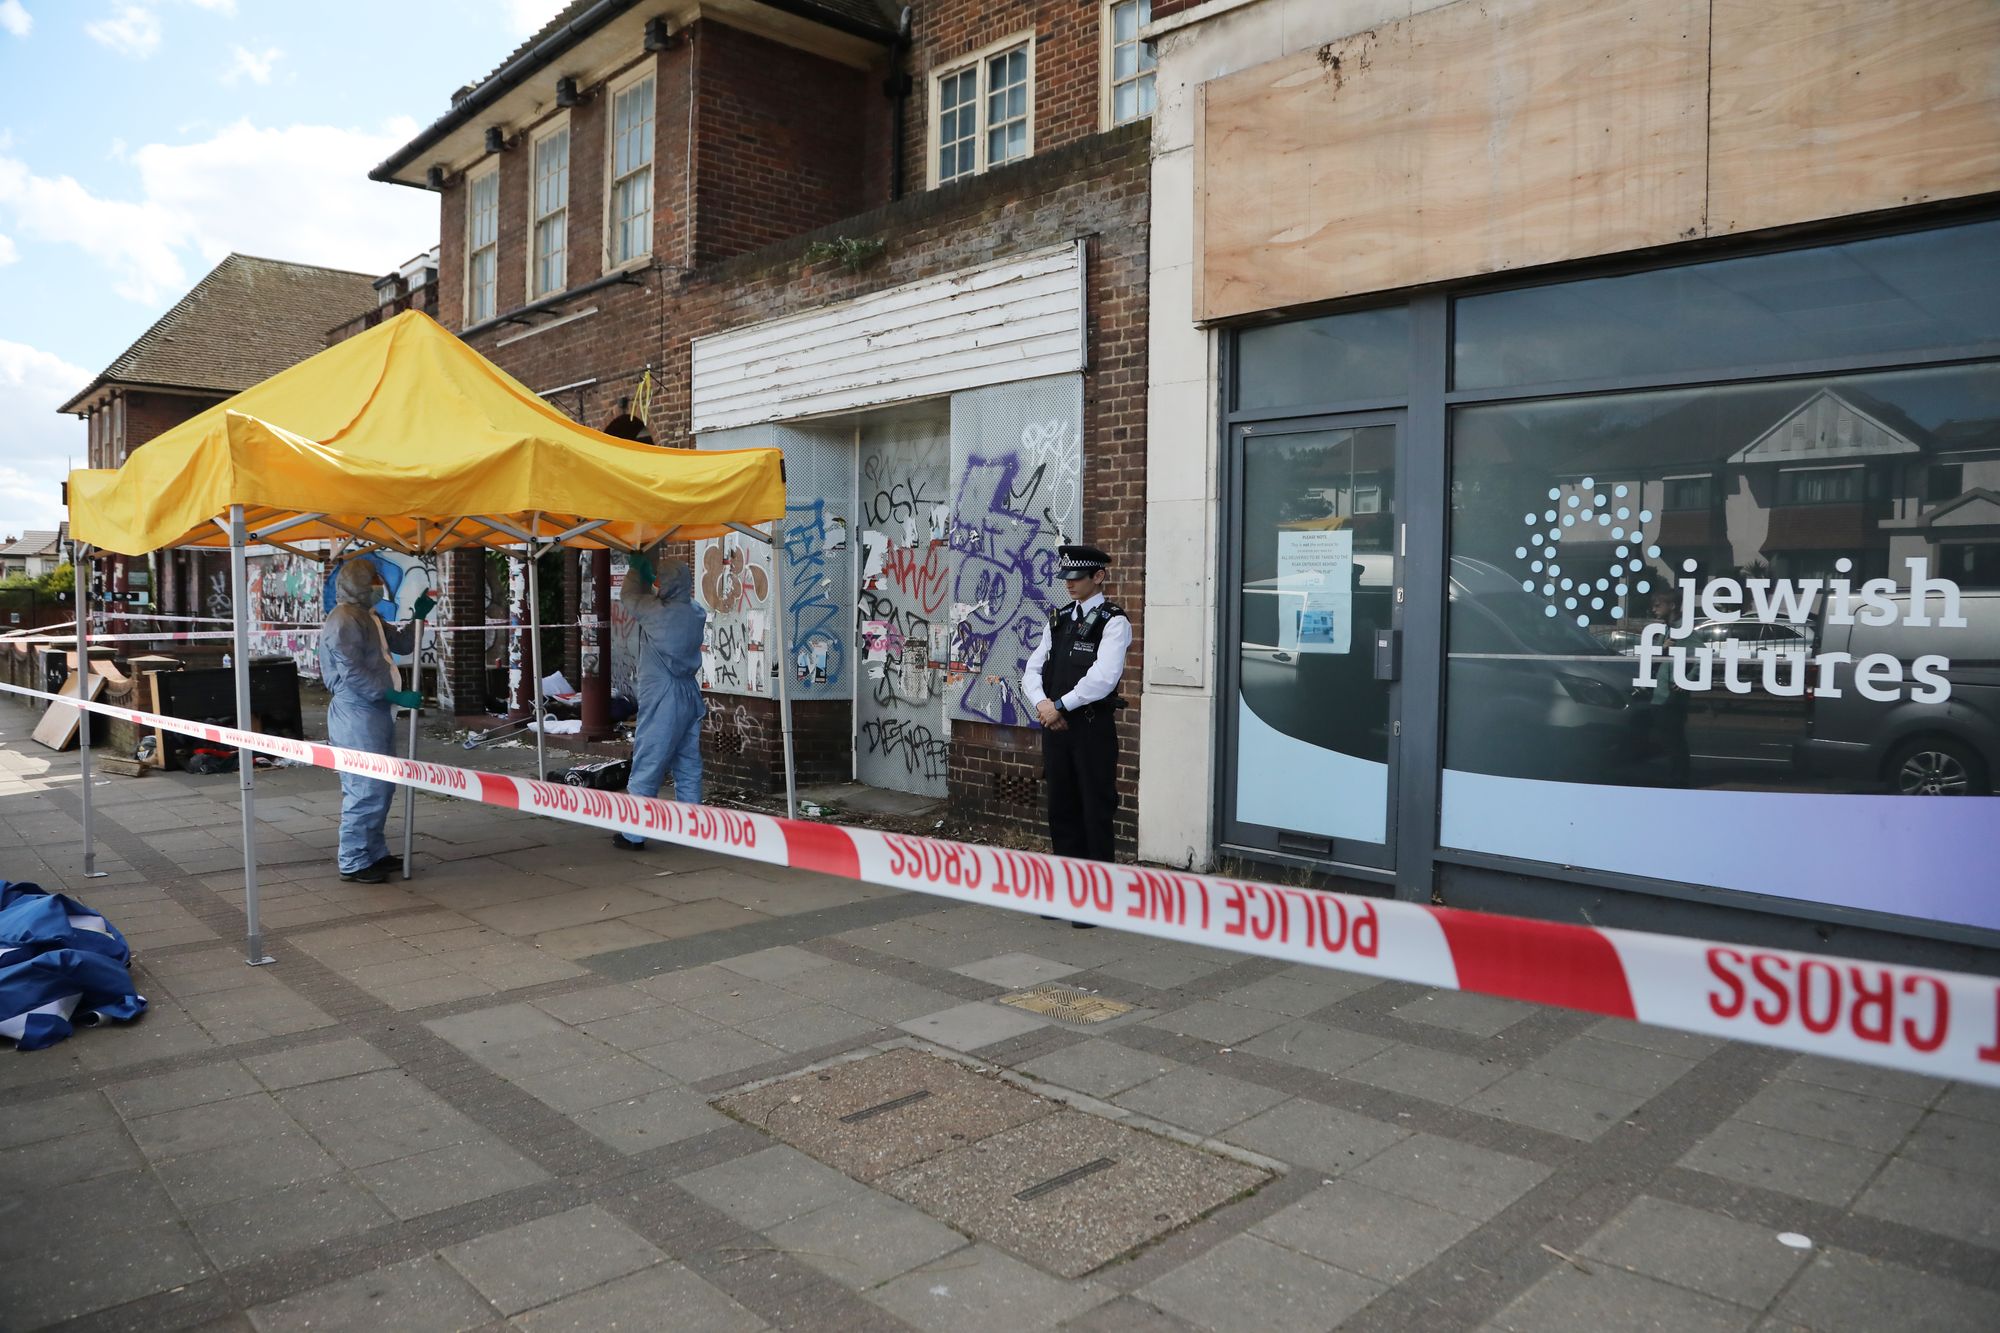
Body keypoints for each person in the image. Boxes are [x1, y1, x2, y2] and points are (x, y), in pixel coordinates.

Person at [1022, 544, 1132, 924]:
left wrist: (1060, 706)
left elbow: (1103, 678)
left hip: (1090, 729)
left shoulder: (1113, 622)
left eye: (1077, 578)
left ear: (1098, 577)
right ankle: (1068, 893)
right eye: (1066, 579)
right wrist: (1043, 706)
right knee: (1061, 810)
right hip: (1056, 727)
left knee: (1094, 809)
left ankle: (1099, 899)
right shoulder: (1059, 619)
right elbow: (1033, 669)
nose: (1069, 585)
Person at [319, 558, 429, 883]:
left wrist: (418, 617)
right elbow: (352, 673)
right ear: (360, 584)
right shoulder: (343, 621)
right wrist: (395, 695)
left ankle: (373, 852)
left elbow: (403, 644)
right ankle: (353, 861)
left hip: (376, 712)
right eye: (375, 580)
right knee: (364, 788)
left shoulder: (369, 616)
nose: (381, 585)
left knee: (380, 786)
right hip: (357, 715)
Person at [613, 553, 707, 849]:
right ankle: (692, 830)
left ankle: (633, 833)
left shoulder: (658, 612)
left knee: (649, 759)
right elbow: (660, 600)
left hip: (663, 695)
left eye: (659, 580)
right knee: (688, 763)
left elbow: (629, 596)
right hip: (689, 693)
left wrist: (635, 569)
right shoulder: (695, 612)